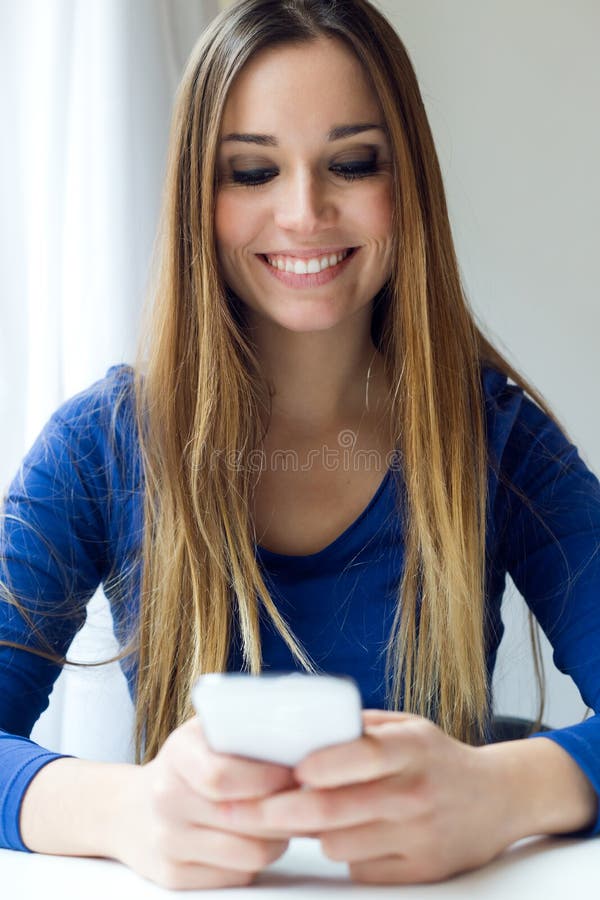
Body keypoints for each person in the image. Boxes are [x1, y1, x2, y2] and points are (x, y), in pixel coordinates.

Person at [1, 0, 598, 890]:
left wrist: (499, 793)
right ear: (196, 198)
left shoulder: (500, 439)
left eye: (352, 163)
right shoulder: (99, 448)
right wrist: (122, 810)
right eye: (250, 171)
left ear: (411, 182)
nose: (304, 211)